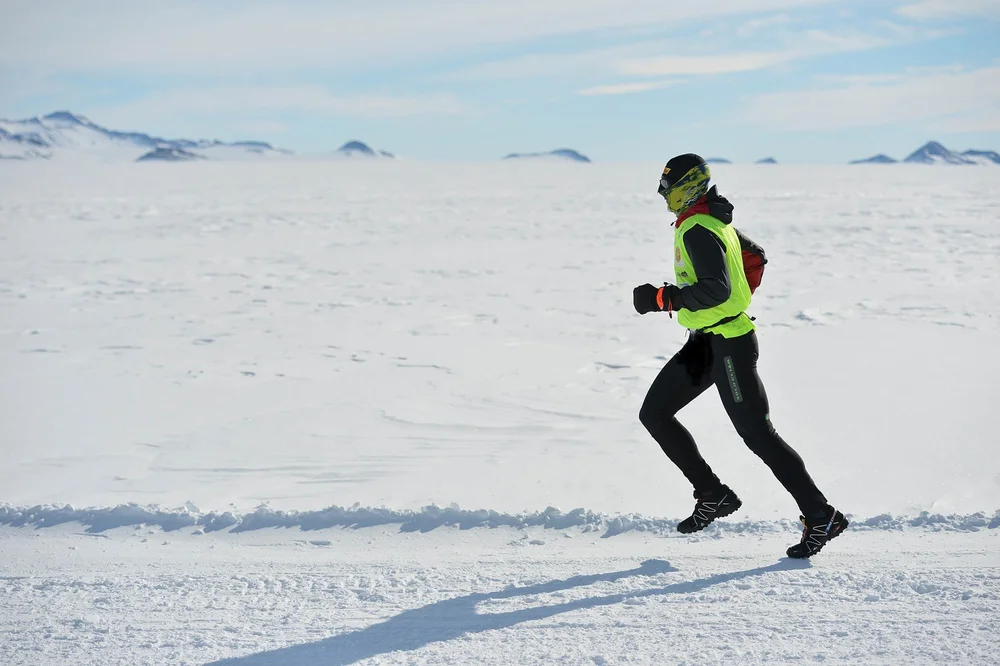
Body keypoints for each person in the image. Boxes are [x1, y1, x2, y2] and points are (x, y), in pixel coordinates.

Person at [632, 153, 846, 558]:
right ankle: (714, 494)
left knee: (758, 437)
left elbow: (718, 289)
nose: (663, 195)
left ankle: (822, 516)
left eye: (669, 188)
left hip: (729, 344)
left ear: (690, 186)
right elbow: (755, 257)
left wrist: (662, 298)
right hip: (706, 342)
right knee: (654, 413)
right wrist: (709, 302)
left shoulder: (699, 227)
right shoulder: (712, 220)